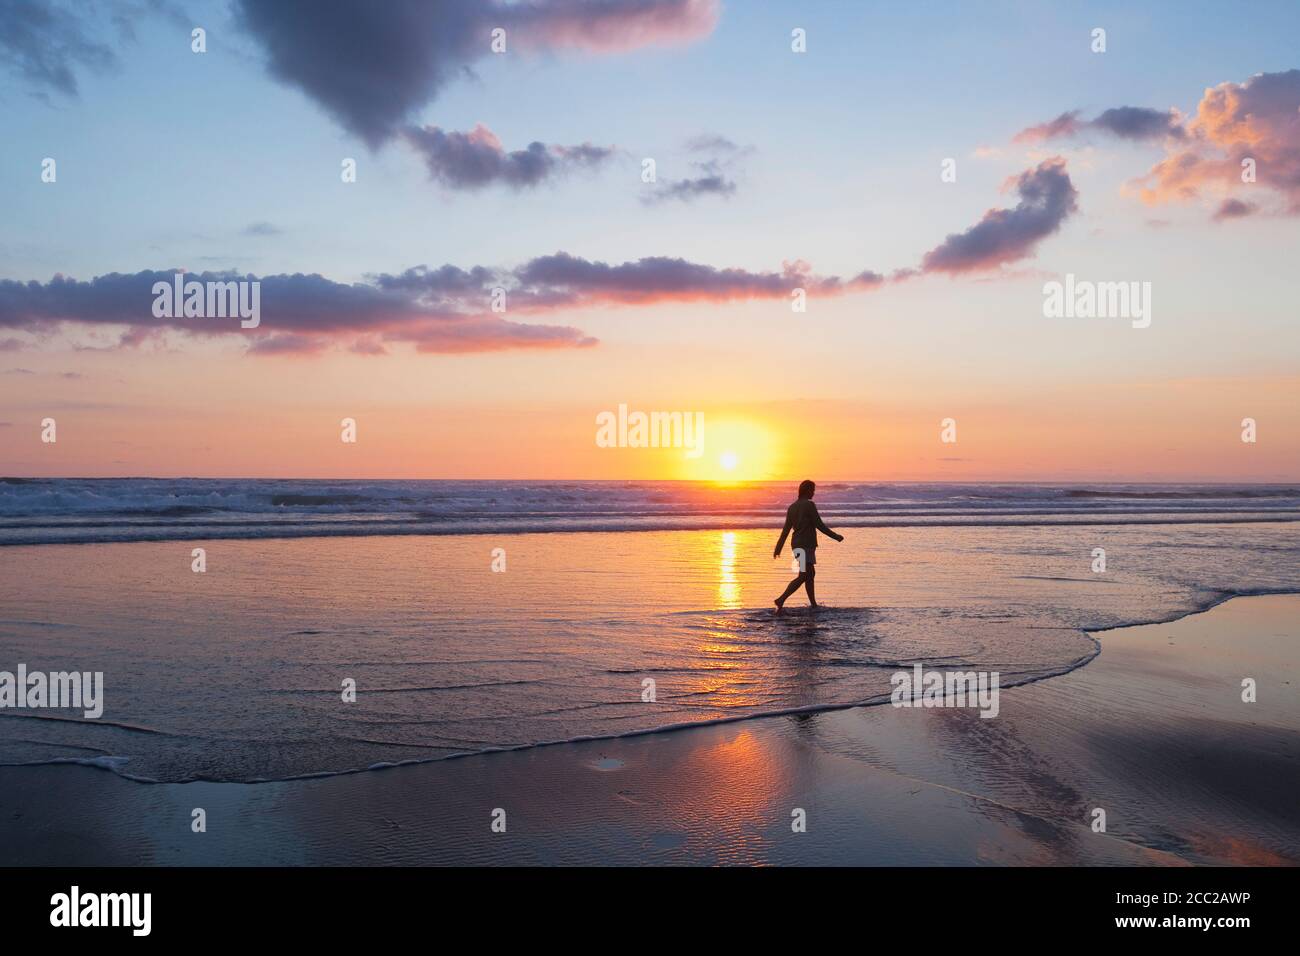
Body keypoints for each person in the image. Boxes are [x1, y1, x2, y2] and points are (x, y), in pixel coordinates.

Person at [773, 479, 843, 614]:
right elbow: (819, 525)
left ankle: (813, 604)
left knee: (809, 574)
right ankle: (781, 599)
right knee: (805, 574)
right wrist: (836, 536)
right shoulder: (809, 505)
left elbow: (786, 530)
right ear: (807, 490)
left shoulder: (792, 507)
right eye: (813, 490)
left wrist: (778, 547)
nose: (814, 493)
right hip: (806, 545)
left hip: (797, 545)